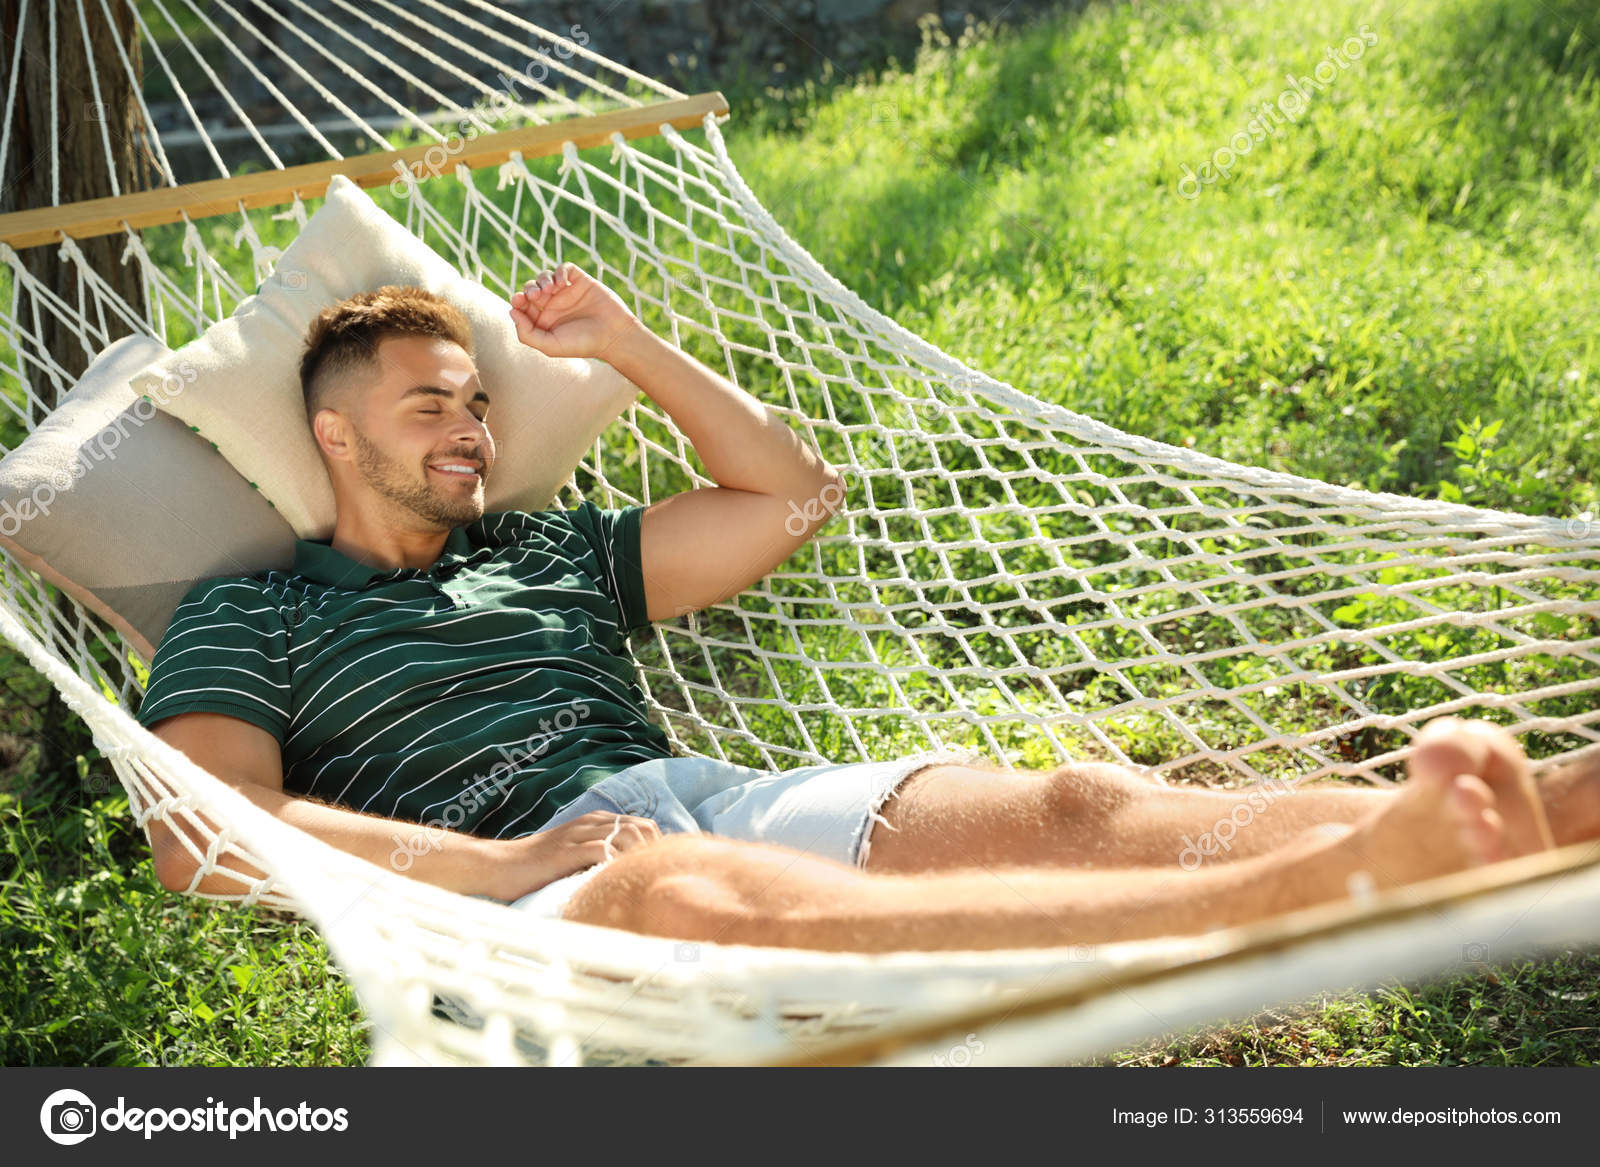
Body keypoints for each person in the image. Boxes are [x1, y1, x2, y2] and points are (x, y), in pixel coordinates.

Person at [137, 263, 1600, 953]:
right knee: (679, 901)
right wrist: (505, 864)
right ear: (335, 438)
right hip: (506, 895)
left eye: (476, 403)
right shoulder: (249, 610)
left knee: (1079, 804)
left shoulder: (544, 552)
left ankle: (1528, 812)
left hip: (696, 790)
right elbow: (204, 836)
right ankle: (1302, 896)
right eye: (425, 409)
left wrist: (631, 346)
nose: (468, 430)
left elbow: (787, 502)